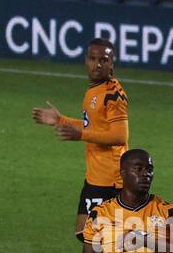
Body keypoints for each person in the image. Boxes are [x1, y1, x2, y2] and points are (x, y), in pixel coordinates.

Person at [32, 37, 129, 237]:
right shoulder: (94, 90)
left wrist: (81, 135)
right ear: (86, 60)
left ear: (112, 64)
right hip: (95, 176)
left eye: (103, 60)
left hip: (111, 180)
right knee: (85, 234)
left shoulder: (113, 94)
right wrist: (60, 120)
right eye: (93, 59)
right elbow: (93, 126)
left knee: (104, 241)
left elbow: (120, 136)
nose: (97, 64)